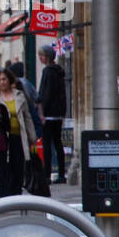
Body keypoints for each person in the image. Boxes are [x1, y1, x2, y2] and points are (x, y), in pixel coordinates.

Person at [0, 68, 37, 196]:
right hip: (2, 138)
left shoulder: (19, 95)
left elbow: (27, 116)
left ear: (9, 80)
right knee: (4, 168)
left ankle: (16, 194)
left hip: (18, 136)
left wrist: (32, 137)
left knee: (18, 166)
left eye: (4, 79)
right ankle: (5, 195)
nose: (2, 82)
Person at [37, 46, 67, 183]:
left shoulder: (47, 71)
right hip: (58, 113)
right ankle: (61, 173)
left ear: (47, 57)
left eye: (42, 55)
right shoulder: (59, 71)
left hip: (48, 114)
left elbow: (45, 93)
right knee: (58, 143)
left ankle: (47, 175)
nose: (40, 58)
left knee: (47, 144)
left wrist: (41, 111)